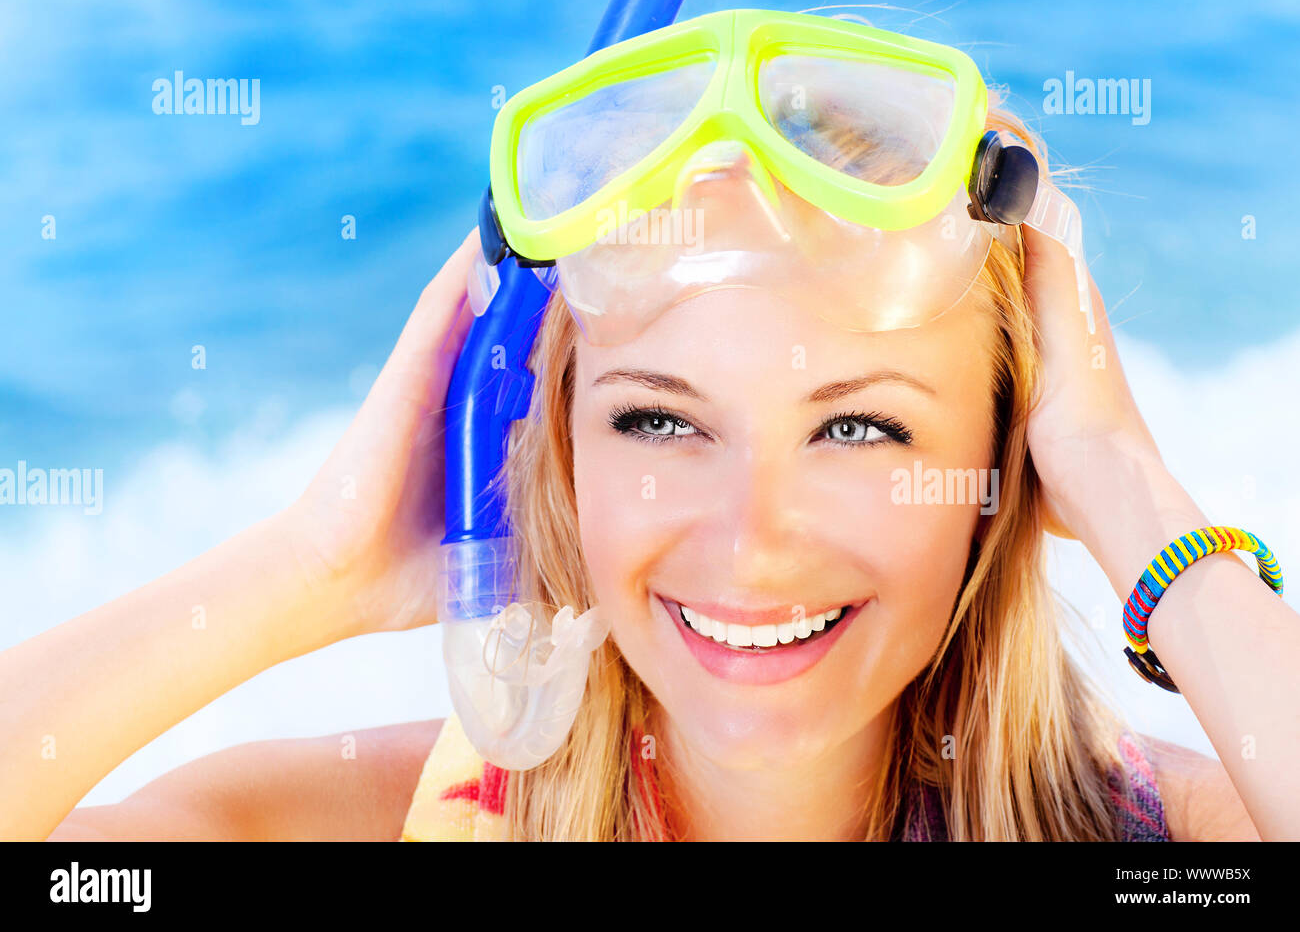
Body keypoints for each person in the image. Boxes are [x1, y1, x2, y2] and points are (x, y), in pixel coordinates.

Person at [4, 92, 1294, 842]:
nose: (751, 540)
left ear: (1005, 471)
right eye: (660, 422)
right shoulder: (417, 825)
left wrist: (1133, 492)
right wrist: (310, 569)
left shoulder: (1160, 848)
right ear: (562, 452)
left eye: (859, 429)